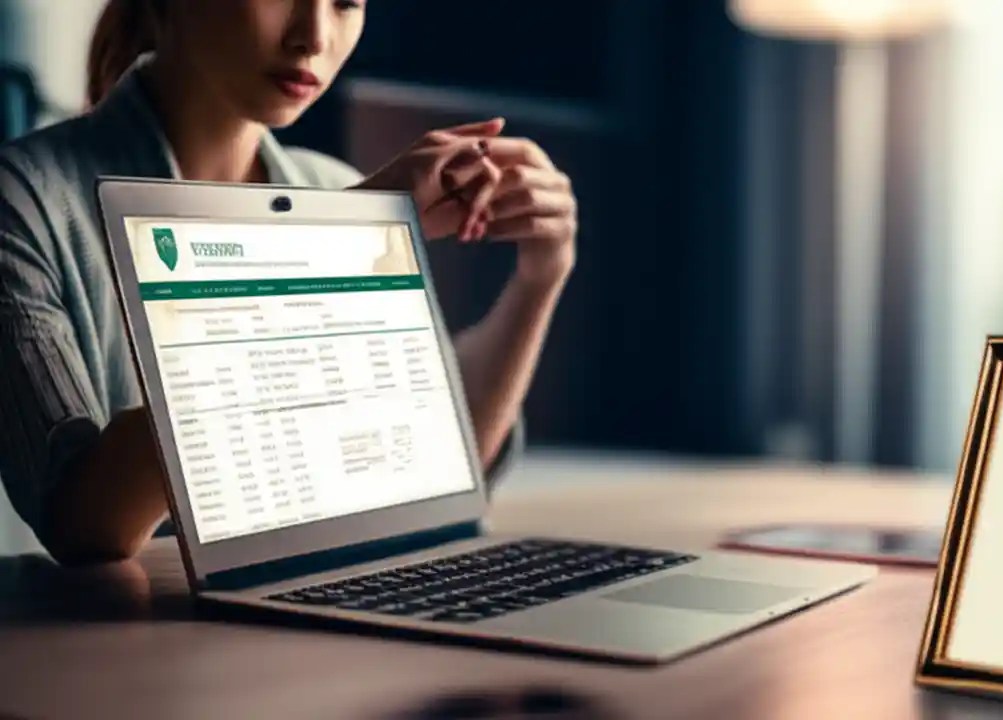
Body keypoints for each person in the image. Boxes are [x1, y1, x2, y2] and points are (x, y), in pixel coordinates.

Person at [0, 0, 577, 565]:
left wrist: (539, 277)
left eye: (347, 3)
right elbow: (84, 522)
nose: (315, 36)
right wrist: (337, 243)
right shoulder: (25, 202)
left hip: (329, 607)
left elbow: (448, 461)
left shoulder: (334, 186)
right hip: (124, 625)